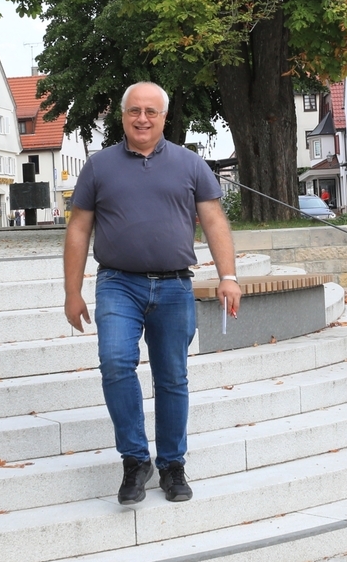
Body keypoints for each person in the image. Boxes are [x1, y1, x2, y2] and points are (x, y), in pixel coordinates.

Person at [63, 83, 240, 505]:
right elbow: (78, 229)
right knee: (115, 362)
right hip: (118, 284)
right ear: (122, 116)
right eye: (134, 111)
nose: (142, 119)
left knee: (172, 377)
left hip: (175, 285)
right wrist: (72, 291)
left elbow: (214, 221)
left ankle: (173, 464)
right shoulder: (98, 166)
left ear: (164, 117)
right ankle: (135, 459)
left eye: (151, 112)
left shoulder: (190, 164)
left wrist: (228, 276)